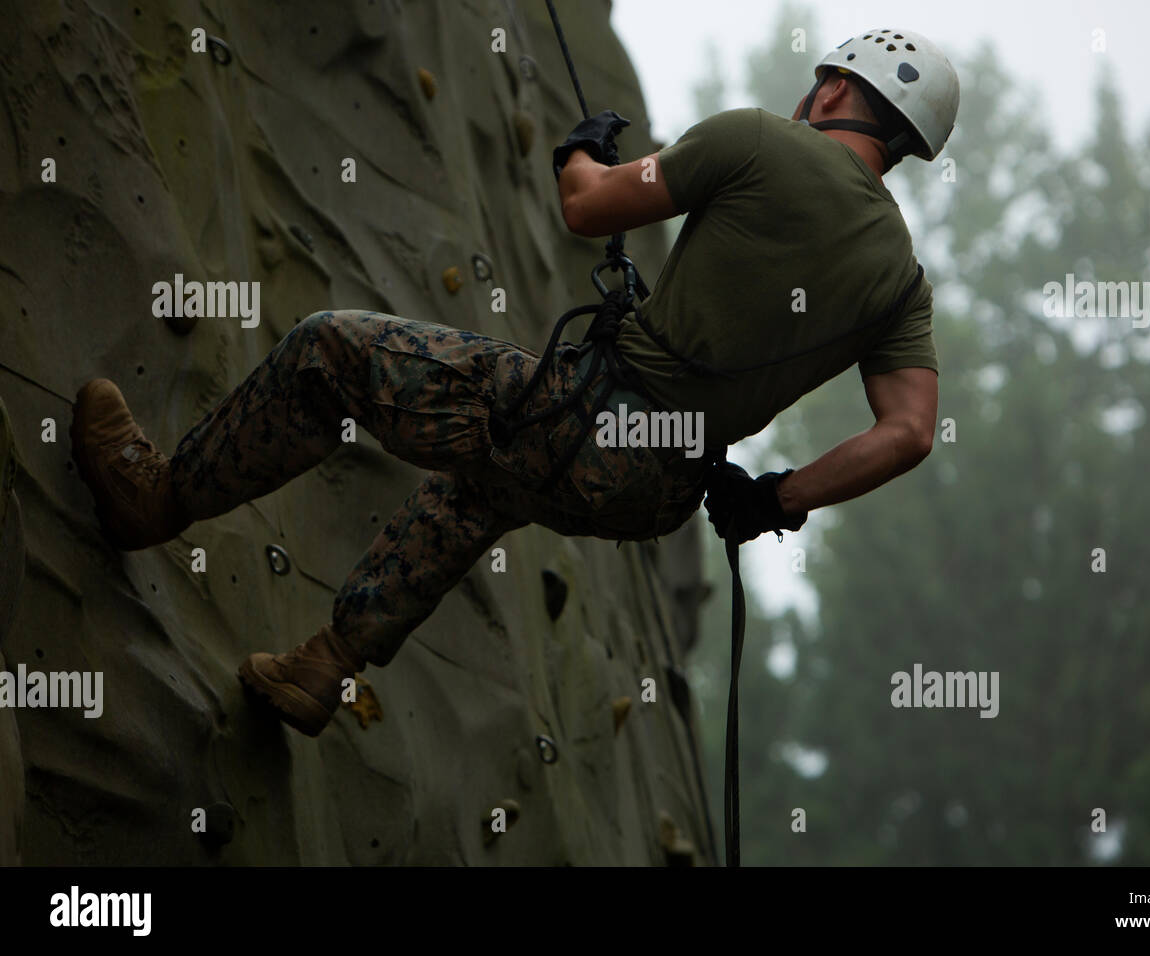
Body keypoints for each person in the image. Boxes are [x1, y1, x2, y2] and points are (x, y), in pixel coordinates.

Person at [70, 30, 959, 738]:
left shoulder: (761, 140)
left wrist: (579, 152)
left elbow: (588, 208)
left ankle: (158, 501)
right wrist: (775, 497)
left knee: (328, 350)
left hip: (583, 421)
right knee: (479, 490)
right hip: (656, 492)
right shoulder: (901, 279)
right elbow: (909, 432)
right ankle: (323, 666)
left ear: (836, 89)